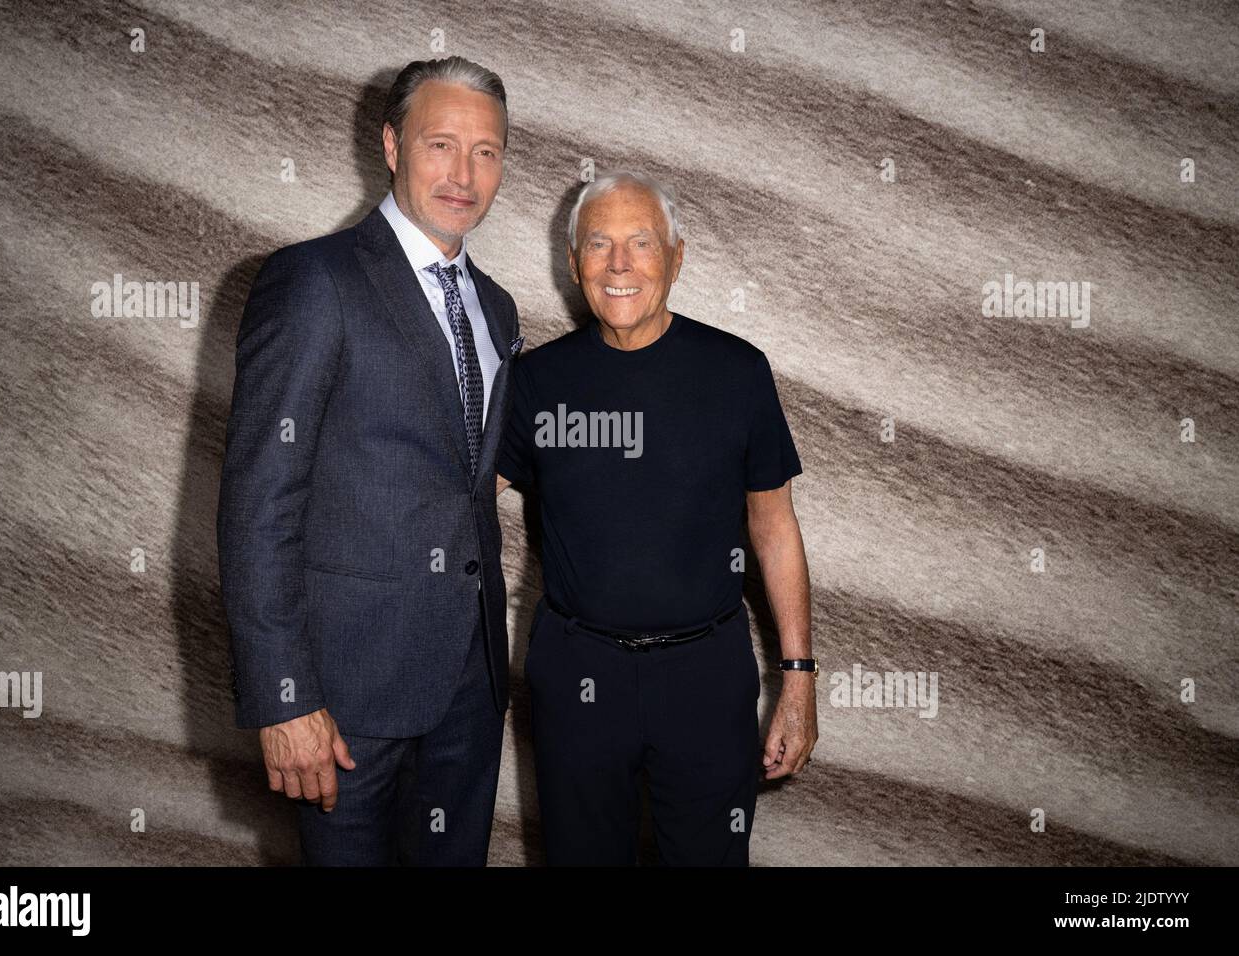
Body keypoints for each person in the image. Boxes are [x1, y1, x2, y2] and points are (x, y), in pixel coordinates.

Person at [217, 56, 521, 865]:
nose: (464, 174)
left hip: (470, 681)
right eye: (441, 144)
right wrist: (286, 698)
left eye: (486, 151)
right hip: (343, 697)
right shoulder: (312, 280)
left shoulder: (496, 307)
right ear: (391, 145)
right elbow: (259, 504)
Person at [497, 171, 818, 865]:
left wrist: (797, 677)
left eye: (641, 243)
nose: (619, 265)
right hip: (576, 670)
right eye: (598, 244)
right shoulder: (535, 382)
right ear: (573, 261)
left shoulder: (738, 372)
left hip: (705, 674)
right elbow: (457, 501)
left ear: (677, 257)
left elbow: (774, 528)